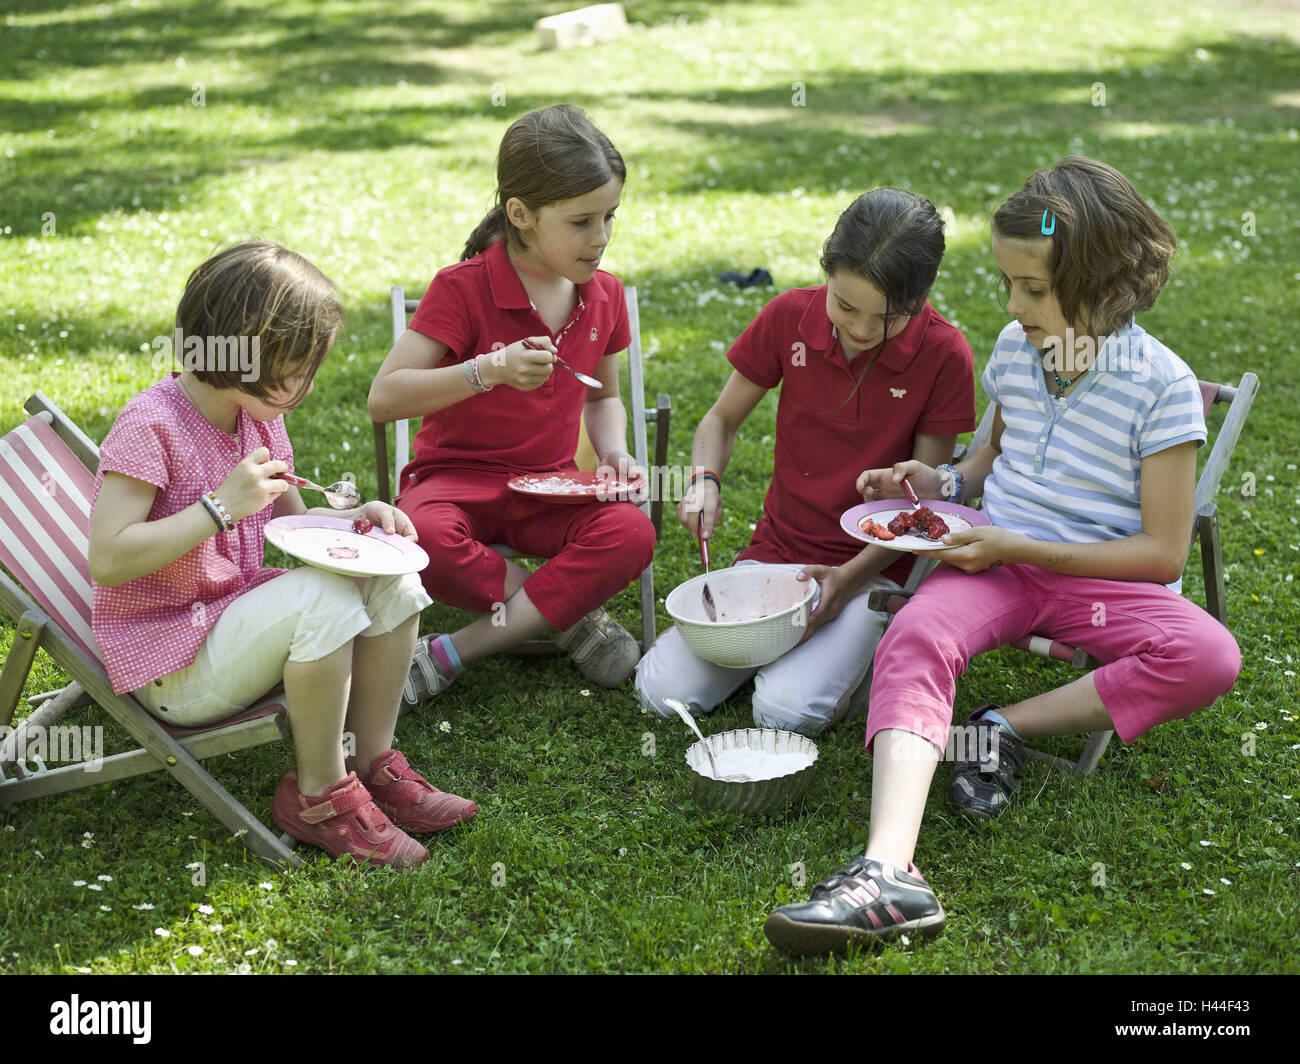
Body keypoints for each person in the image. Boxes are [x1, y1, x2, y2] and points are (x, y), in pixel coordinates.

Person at [764, 157, 1242, 954]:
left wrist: (1020, 543)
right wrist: (938, 477)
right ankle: (888, 872)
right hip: (997, 566)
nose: (1013, 306)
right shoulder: (1019, 352)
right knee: (916, 635)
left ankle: (997, 728)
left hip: (1096, 578)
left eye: (1033, 289)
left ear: (1103, 283)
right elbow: (987, 458)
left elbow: (1161, 554)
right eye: (1008, 284)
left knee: (1208, 655)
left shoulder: (1160, 387)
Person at [89, 242, 476, 870]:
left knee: (395, 576)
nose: (307, 386)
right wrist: (219, 507)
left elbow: (295, 521)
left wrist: (357, 520)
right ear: (245, 353)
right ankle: (320, 796)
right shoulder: (150, 425)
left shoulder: (256, 416)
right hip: (172, 662)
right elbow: (106, 558)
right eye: (298, 368)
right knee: (320, 599)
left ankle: (371, 764)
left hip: (230, 622)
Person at [635, 188, 976, 735]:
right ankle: (797, 657)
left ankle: (845, 658)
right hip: (778, 554)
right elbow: (719, 421)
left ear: (919, 298)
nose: (861, 330)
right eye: (844, 306)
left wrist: (845, 580)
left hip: (871, 569)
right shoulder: (789, 315)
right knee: (661, 693)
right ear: (827, 273)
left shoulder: (944, 354)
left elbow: (921, 508)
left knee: (784, 714)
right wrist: (703, 481)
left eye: (884, 318)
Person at [369, 104, 655, 709]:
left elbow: (603, 397)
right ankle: (571, 620)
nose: (600, 237)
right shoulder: (463, 287)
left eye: (610, 217)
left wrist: (613, 450)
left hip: (549, 488)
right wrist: (486, 371)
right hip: (454, 483)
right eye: (581, 222)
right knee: (421, 541)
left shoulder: (602, 296)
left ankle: (452, 651)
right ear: (520, 214)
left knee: (631, 532)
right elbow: (384, 398)